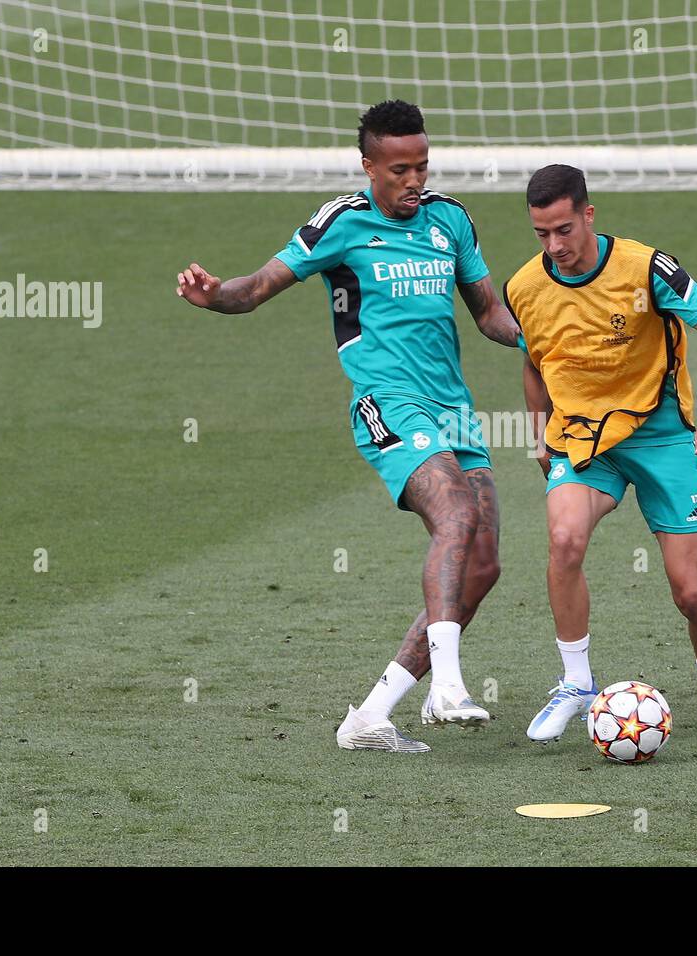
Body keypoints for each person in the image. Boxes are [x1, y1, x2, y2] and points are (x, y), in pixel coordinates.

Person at [176, 101, 521, 753]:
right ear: (369, 168)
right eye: (399, 169)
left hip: (453, 410)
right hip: (388, 402)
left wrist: (540, 341)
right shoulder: (342, 223)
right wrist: (213, 294)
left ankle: (369, 718)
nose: (414, 180)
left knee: (482, 568)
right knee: (455, 515)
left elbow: (488, 312)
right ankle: (447, 686)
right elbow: (253, 289)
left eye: (422, 165)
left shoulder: (451, 219)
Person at [504, 164, 697, 743]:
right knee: (564, 539)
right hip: (585, 440)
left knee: (691, 593)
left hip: (662, 433)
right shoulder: (523, 287)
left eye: (564, 229)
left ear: (588, 215)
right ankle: (575, 684)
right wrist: (539, 432)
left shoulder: (645, 268)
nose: (555, 246)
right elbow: (534, 361)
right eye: (542, 234)